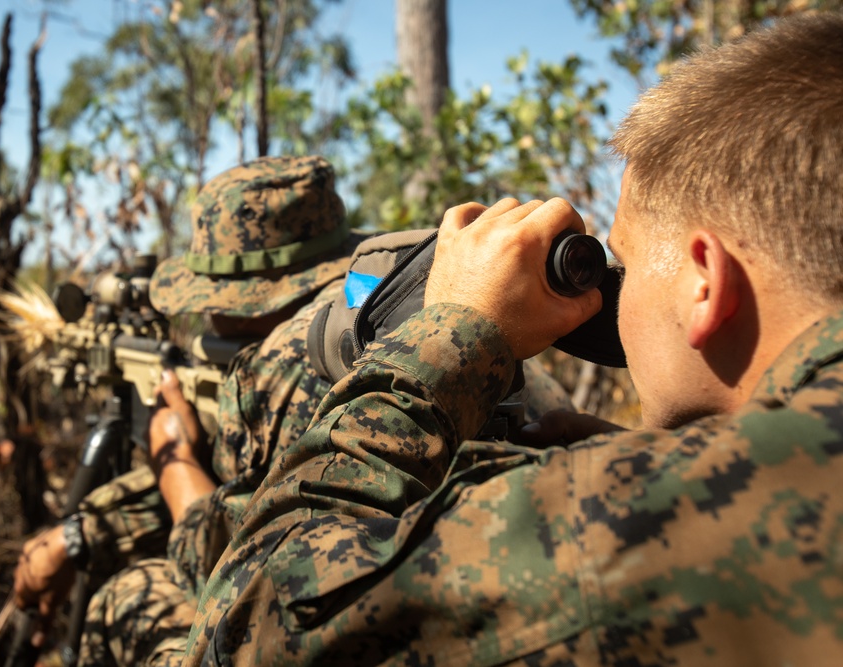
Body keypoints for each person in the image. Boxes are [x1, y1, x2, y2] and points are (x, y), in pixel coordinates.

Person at [184, 13, 843, 666]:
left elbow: (251, 622)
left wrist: (451, 335)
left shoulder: (654, 518)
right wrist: (617, 451)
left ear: (706, 280)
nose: (611, 294)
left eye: (625, 263)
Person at [12, 155, 582, 663]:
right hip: (534, 600)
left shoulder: (281, 363)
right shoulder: (417, 303)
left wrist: (176, 472)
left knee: (123, 597)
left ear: (237, 297)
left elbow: (255, 571)